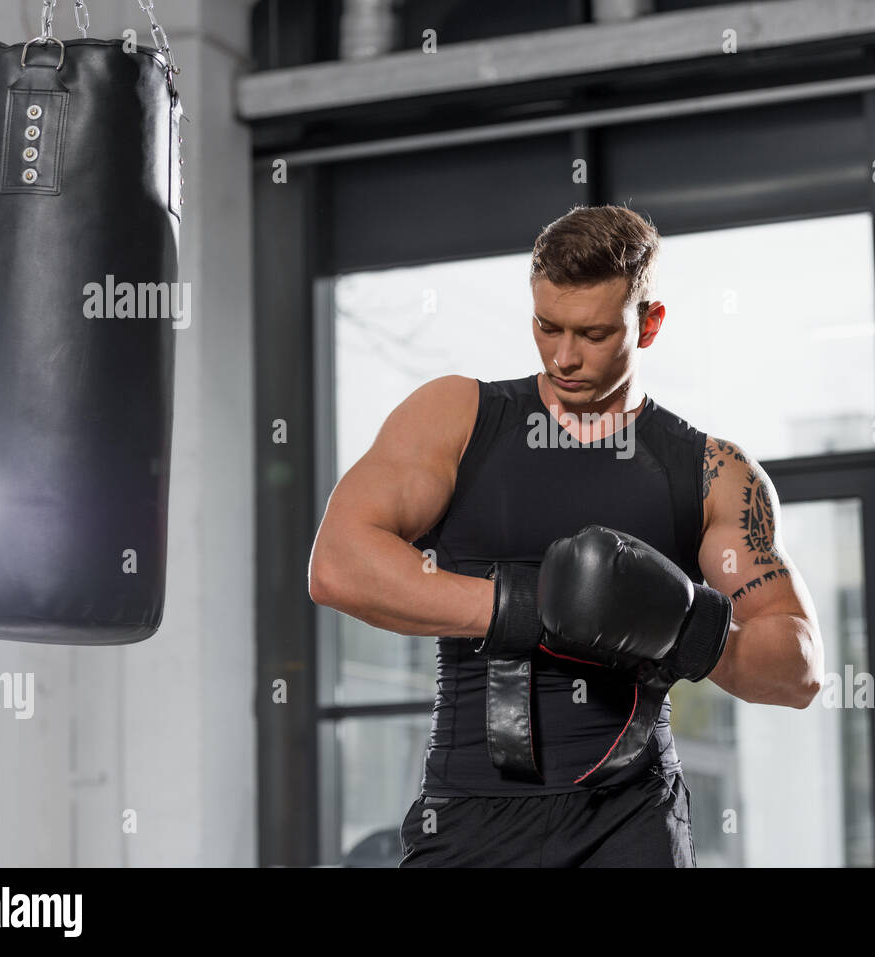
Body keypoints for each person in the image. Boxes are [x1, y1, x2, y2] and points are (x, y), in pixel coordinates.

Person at [308, 204, 823, 867]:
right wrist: (527, 607)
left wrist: (687, 624)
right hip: (472, 814)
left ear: (650, 323)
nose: (564, 356)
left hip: (631, 818)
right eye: (546, 326)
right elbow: (338, 563)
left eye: (593, 332)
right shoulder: (458, 418)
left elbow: (800, 669)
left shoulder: (708, 470)